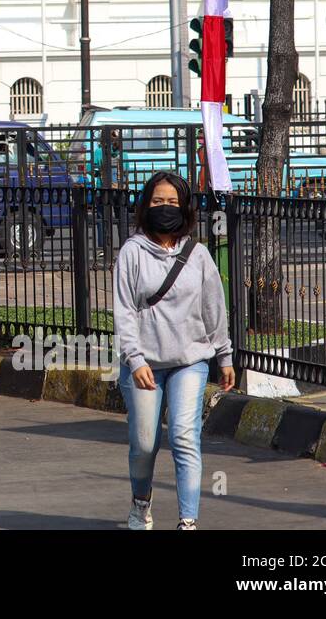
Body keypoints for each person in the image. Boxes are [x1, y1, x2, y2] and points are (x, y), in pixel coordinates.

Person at [113, 170, 235, 531]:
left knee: (184, 435)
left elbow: (215, 307)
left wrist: (224, 356)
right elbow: (124, 310)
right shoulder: (132, 253)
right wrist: (135, 360)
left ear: (184, 207)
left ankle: (188, 520)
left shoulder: (197, 255)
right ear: (144, 206)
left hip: (189, 361)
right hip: (144, 364)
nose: (164, 208)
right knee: (144, 444)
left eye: (171, 202)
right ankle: (140, 505)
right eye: (156, 201)